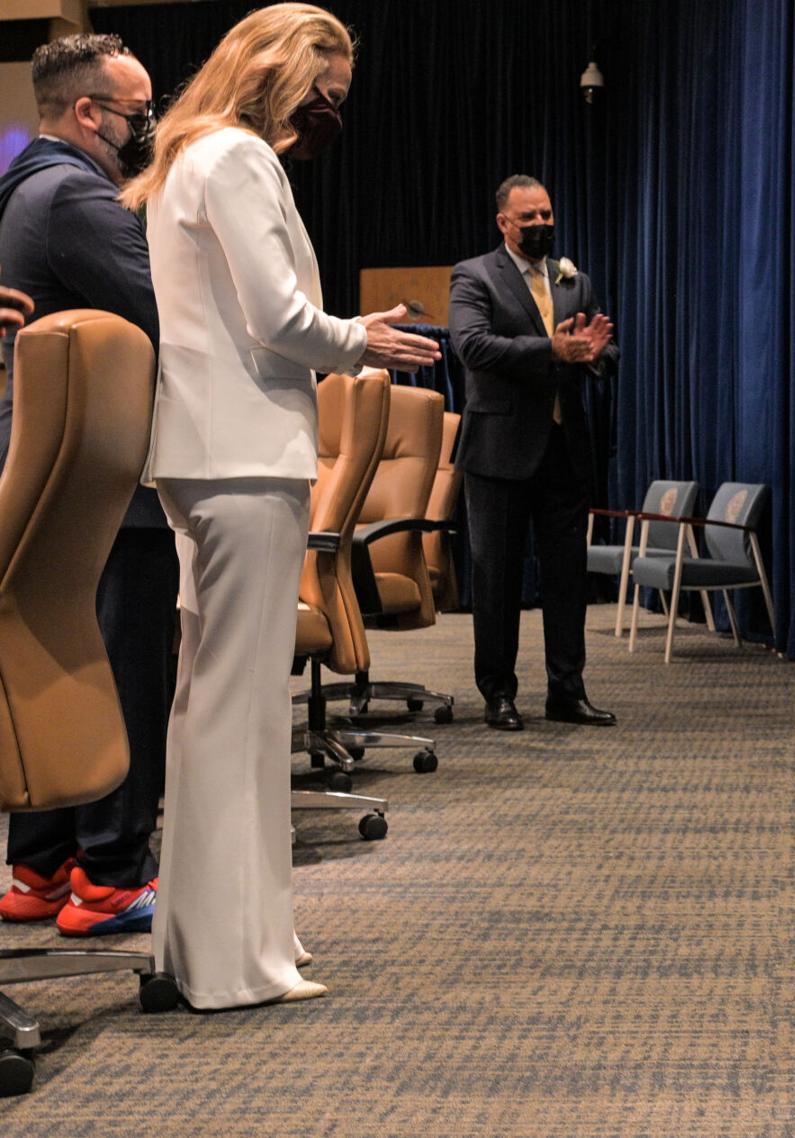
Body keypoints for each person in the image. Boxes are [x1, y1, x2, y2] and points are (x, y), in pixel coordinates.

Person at [119, 2, 440, 1009]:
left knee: (210, 706)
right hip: (246, 454)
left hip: (207, 454)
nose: (329, 117)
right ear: (279, 73)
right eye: (326, 94)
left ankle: (216, 946)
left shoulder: (188, 158)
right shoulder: (239, 158)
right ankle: (234, 961)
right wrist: (362, 340)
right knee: (238, 713)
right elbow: (278, 317)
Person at [0, 34, 176, 937]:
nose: (146, 129)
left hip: (47, 477)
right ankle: (108, 874)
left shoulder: (21, 189)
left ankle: (40, 868)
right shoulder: (75, 193)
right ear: (88, 114)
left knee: (49, 662)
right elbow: (165, 319)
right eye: (139, 114)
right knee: (122, 673)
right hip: (110, 486)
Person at [449, 175, 618, 732]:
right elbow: (471, 345)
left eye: (547, 214)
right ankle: (498, 694)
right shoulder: (474, 276)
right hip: (498, 453)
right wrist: (553, 349)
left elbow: (604, 351)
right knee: (496, 579)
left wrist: (594, 354)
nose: (542, 225)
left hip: (564, 451)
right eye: (530, 219)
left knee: (567, 578)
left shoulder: (575, 281)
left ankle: (567, 691)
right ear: (504, 223)